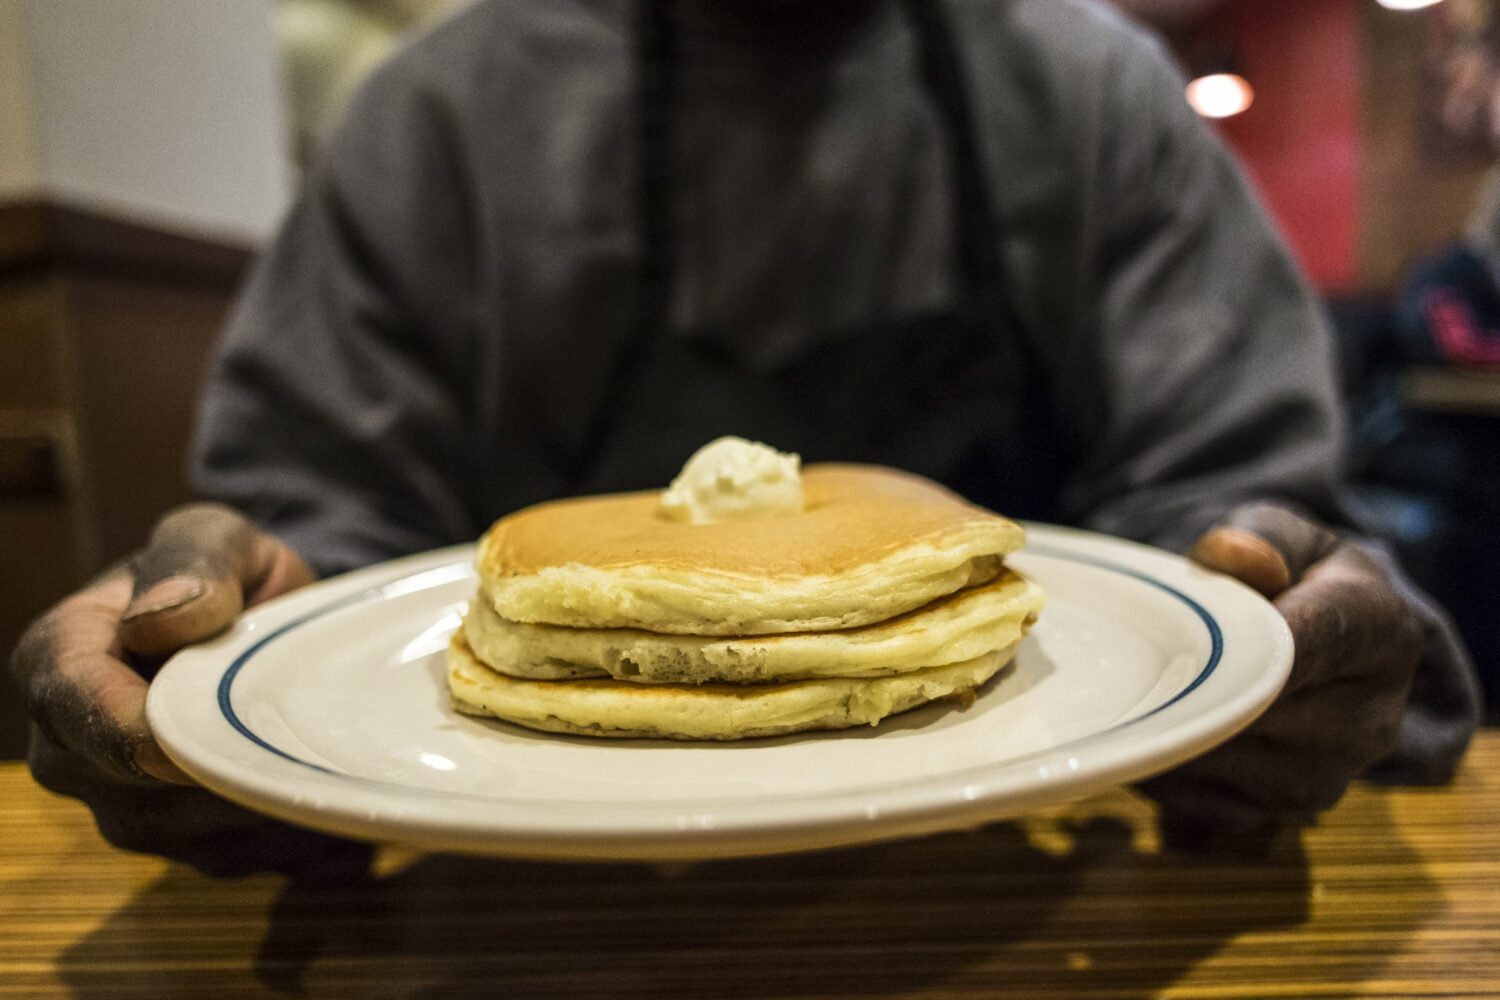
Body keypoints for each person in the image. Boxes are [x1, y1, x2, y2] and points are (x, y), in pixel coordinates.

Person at [10, 0, 1481, 875]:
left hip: (1030, 880)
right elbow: (331, 566)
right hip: (520, 903)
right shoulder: (439, 120)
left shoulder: (1096, 99)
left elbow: (1224, 529)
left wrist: (1288, 641)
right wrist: (225, 690)